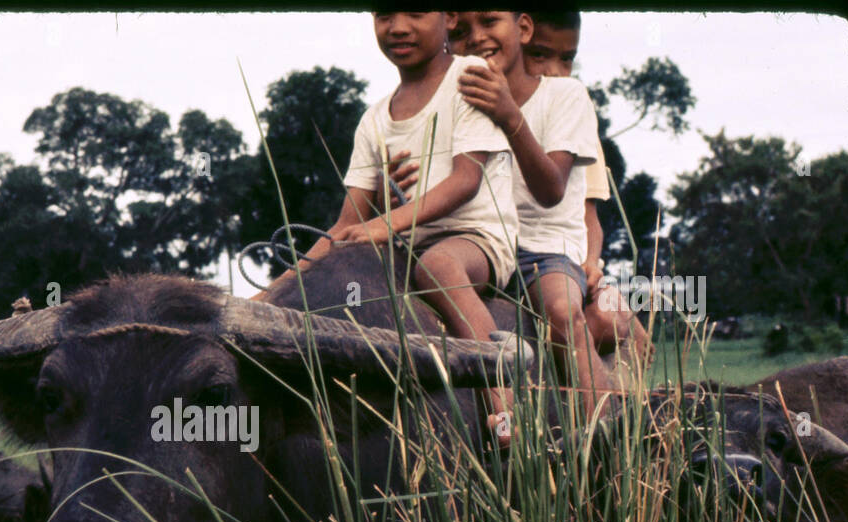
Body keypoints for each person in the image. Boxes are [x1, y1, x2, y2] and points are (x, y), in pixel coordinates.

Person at [257, 11, 519, 445]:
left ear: (449, 17)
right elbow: (347, 225)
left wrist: (384, 224)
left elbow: (465, 180)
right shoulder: (374, 119)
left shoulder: (467, 78)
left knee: (438, 268)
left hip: (474, 237)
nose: (397, 27)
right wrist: (273, 293)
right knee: (345, 271)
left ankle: (502, 403)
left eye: (415, 11)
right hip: (404, 244)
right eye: (384, 14)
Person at [448, 10, 619, 417]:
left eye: (489, 23)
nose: (475, 39)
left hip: (542, 250)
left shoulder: (565, 95)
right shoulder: (454, 99)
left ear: (522, 29)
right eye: (459, 32)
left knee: (562, 312)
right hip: (478, 244)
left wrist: (510, 117)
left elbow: (551, 190)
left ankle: (604, 433)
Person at [520, 9, 653, 370]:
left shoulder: (574, 116)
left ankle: (598, 399)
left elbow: (588, 216)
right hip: (515, 255)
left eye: (567, 59)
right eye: (539, 55)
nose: (555, 71)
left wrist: (591, 265)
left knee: (611, 320)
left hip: (562, 262)